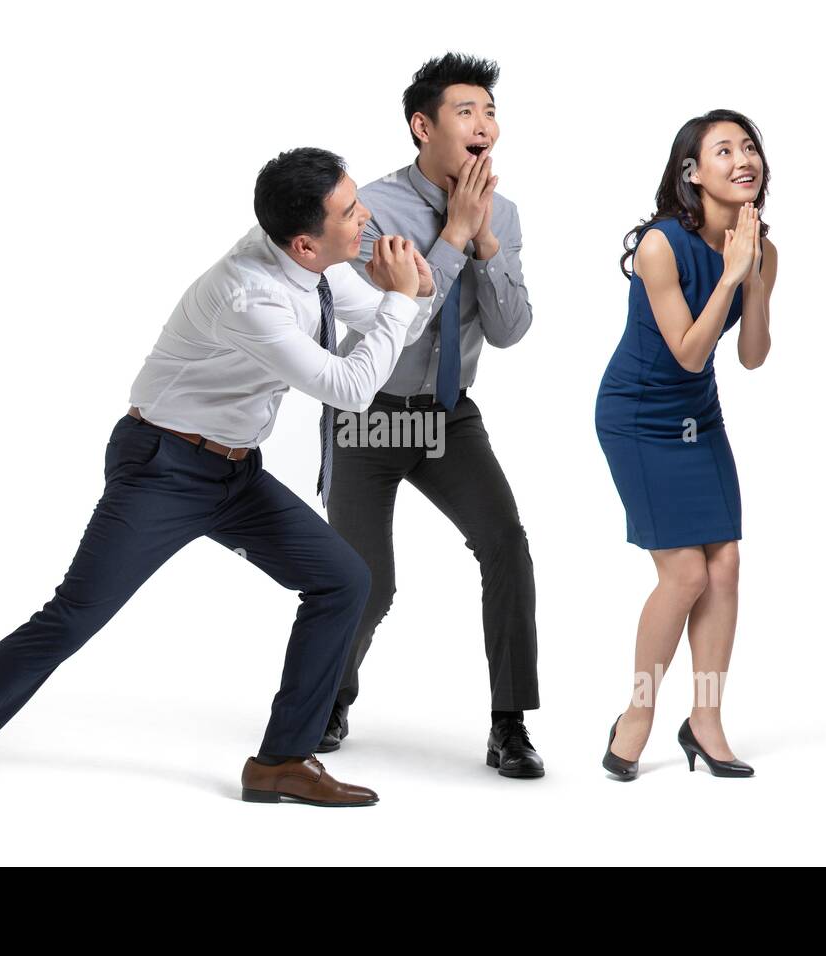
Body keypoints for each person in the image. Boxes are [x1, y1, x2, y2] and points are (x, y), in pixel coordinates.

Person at [0, 147, 438, 826]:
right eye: (351, 212)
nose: (366, 220)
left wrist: (411, 287)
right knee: (71, 618)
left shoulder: (314, 262)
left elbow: (396, 318)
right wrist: (402, 298)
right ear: (305, 241)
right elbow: (354, 387)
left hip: (235, 471)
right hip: (163, 467)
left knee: (342, 580)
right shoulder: (252, 295)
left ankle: (281, 762)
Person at [318, 53, 543, 778]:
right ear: (423, 126)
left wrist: (483, 241)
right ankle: (330, 697)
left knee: (506, 544)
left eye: (490, 113)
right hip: (371, 413)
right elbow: (401, 321)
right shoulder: (373, 212)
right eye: (465, 112)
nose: (484, 126)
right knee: (367, 582)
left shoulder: (501, 214)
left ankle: (509, 725)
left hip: (447, 416)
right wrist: (450, 237)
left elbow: (509, 331)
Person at [595, 110, 777, 780]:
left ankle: (705, 720)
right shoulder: (659, 246)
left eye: (750, 146)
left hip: (700, 418)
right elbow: (692, 353)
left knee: (724, 567)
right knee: (686, 574)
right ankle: (638, 713)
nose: (743, 159)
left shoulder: (764, 248)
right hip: (638, 418)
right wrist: (728, 276)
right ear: (692, 173)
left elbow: (752, 356)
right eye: (723, 149)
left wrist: (753, 275)